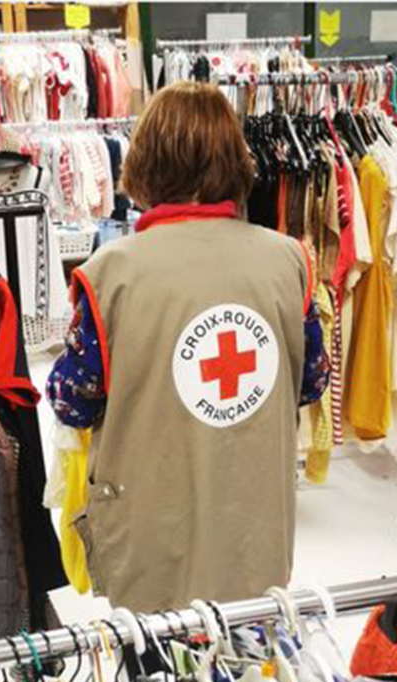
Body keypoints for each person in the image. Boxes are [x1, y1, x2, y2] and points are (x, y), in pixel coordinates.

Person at [47, 81, 329, 611]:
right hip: (256, 530)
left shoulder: (110, 275)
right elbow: (312, 379)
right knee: (252, 674)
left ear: (145, 161)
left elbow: (72, 399)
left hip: (153, 534)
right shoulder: (289, 260)